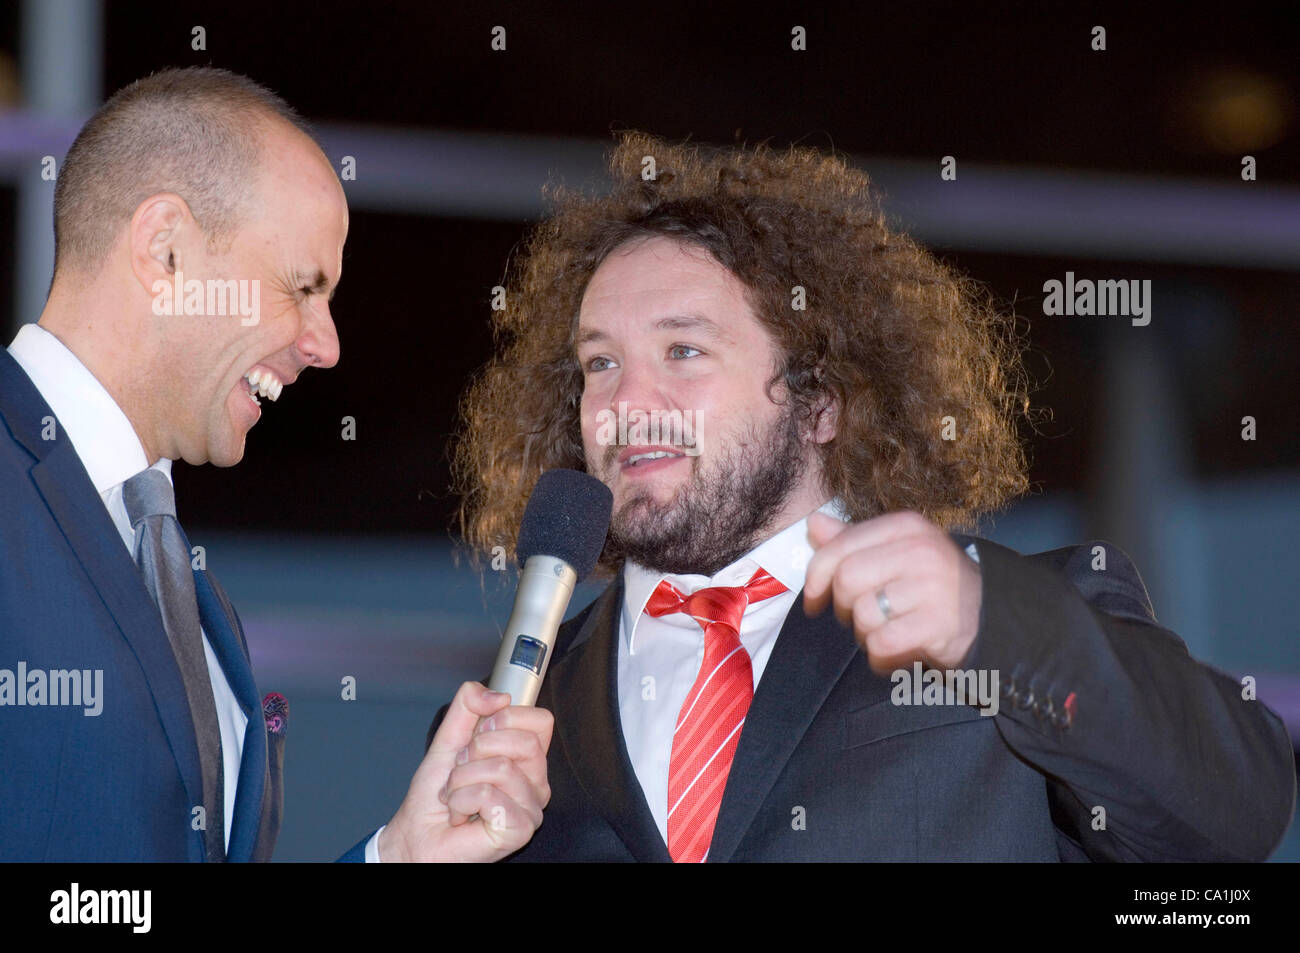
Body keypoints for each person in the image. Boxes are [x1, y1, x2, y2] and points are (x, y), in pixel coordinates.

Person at [446, 131, 1297, 861]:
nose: (627, 404)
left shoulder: (1001, 627)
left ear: (820, 403)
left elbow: (1235, 812)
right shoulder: (507, 721)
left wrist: (989, 625)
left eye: (683, 351)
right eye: (600, 362)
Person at [0, 67, 550, 863]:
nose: (325, 345)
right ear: (165, 252)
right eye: (301, 286)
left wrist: (399, 855)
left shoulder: (183, 582)